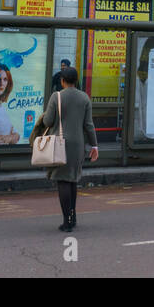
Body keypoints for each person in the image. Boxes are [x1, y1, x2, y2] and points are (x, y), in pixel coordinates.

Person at [39, 66, 98, 232]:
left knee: (62, 180)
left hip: (60, 143)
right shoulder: (84, 97)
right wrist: (94, 145)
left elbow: (48, 122)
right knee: (72, 179)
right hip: (78, 144)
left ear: (62, 81)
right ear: (77, 80)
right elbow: (89, 125)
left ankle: (66, 222)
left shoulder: (56, 96)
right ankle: (73, 216)